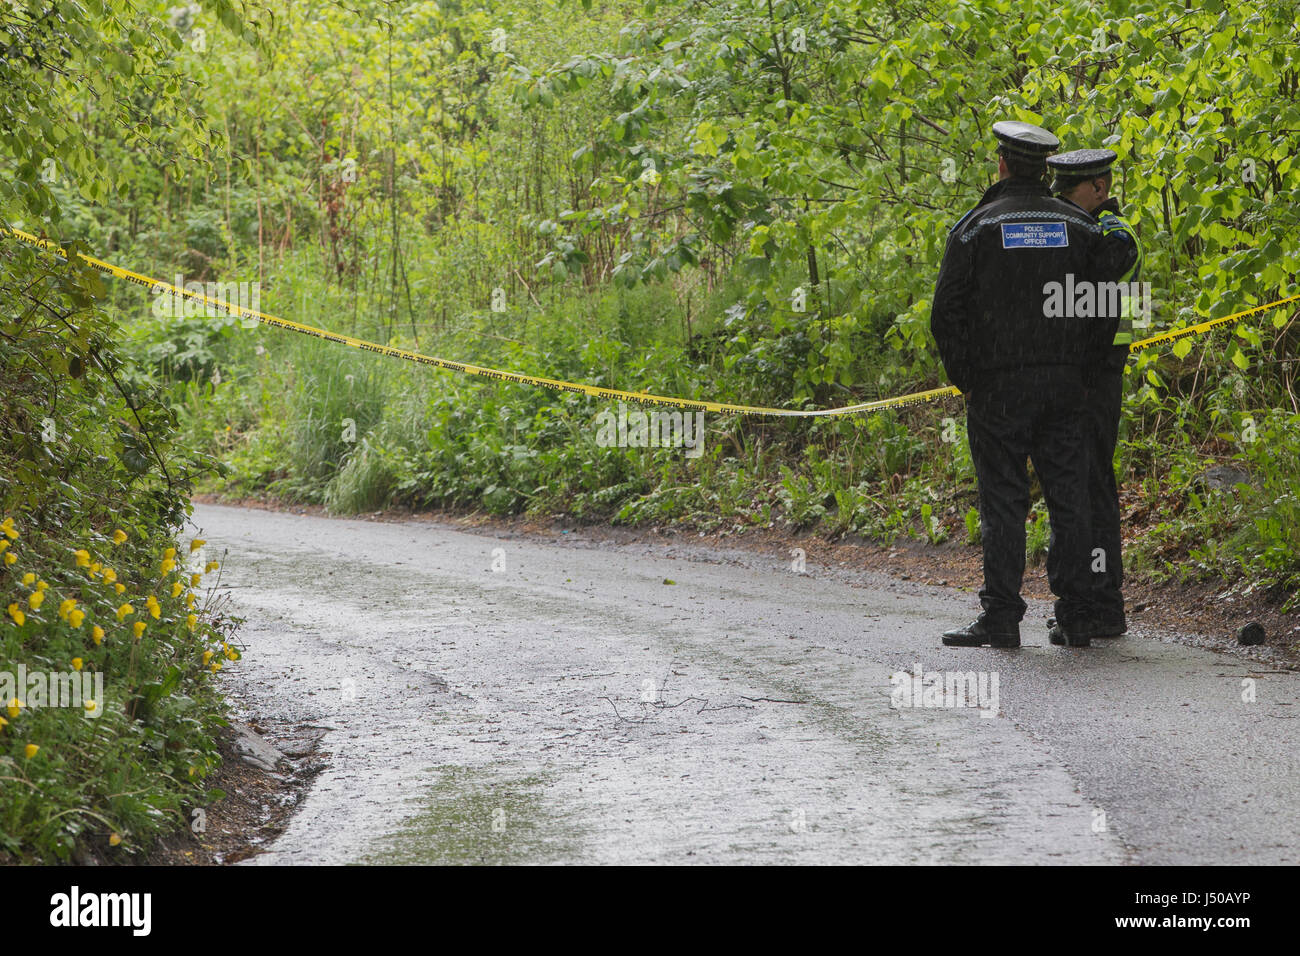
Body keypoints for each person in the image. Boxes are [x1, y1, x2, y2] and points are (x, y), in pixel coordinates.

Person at [930, 121, 1137, 649]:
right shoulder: (1084, 228)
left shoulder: (974, 228)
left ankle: (1001, 617)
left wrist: (966, 379)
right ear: (1047, 169)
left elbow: (945, 312)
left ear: (1002, 165)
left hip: (998, 389)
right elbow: (1105, 305)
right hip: (1067, 389)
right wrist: (1087, 372)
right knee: (1070, 497)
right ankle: (1078, 614)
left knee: (1003, 499)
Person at [1047, 148, 1142, 639]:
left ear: (1099, 190)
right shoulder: (1072, 226)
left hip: (1098, 377)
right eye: (1056, 190)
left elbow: (1101, 270)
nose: (1060, 201)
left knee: (1090, 486)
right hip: (1067, 375)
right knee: (1071, 485)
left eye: (1070, 192)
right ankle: (1085, 599)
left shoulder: (1115, 233)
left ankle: (1102, 602)